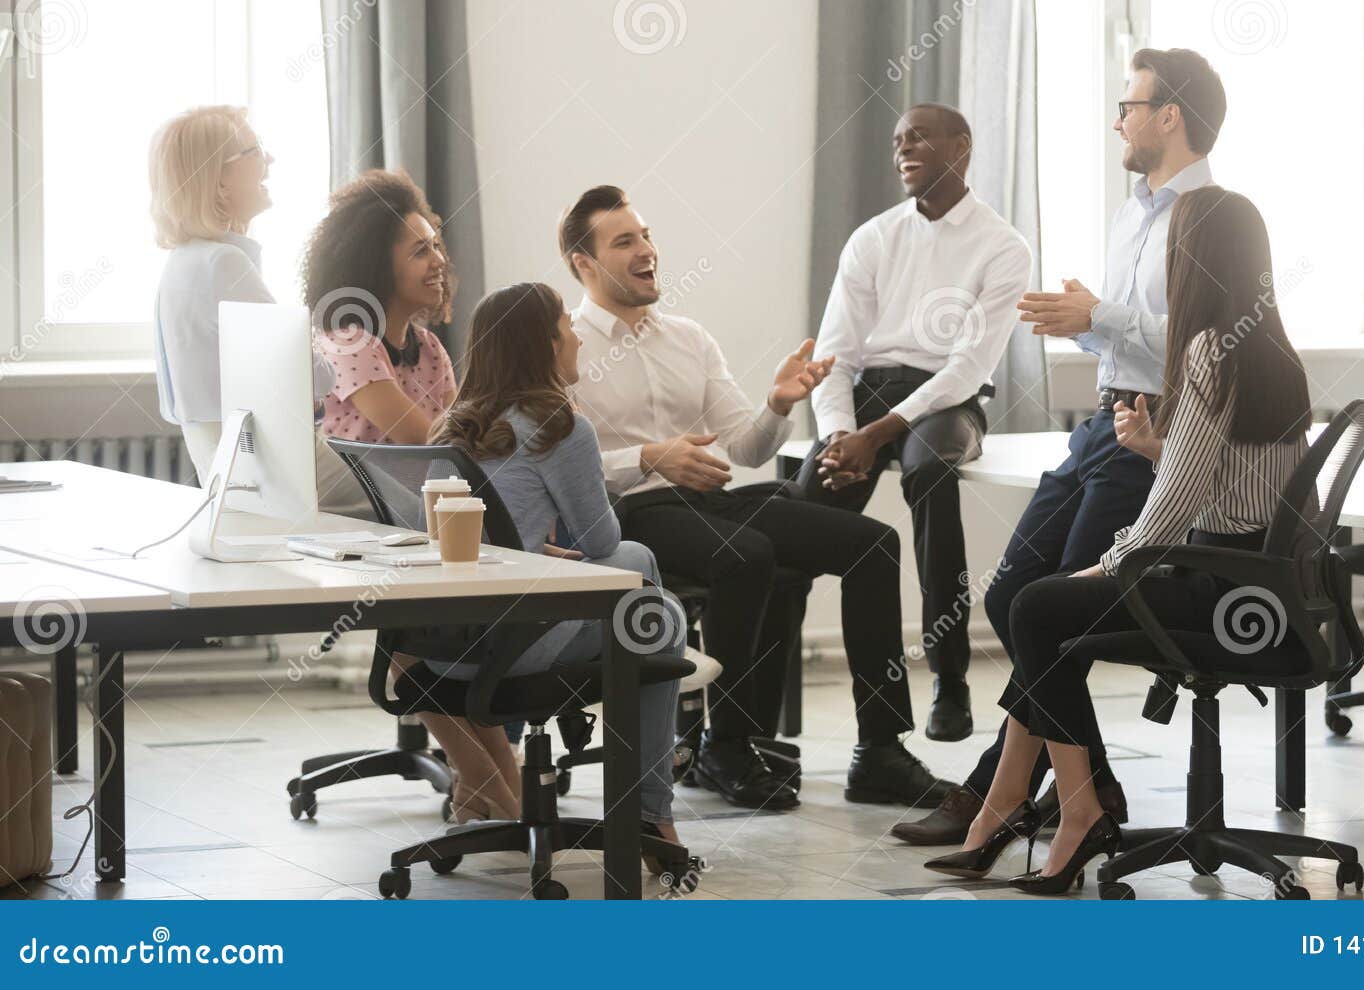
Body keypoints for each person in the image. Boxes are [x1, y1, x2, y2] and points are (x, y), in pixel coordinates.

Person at [930, 185, 1311, 894]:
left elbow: (1174, 512)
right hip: (1266, 591)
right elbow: (1235, 485)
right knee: (1041, 608)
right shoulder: (1273, 352)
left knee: (1038, 607)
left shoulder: (1206, 352)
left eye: (1176, 248)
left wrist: (1105, 566)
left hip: (1222, 592)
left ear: (1197, 260)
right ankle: (1013, 801)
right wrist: (1155, 451)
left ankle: (1075, 812)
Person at [893, 48, 1227, 848]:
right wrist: (1085, 324)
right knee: (1013, 598)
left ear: (1169, 115)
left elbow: (1203, 339)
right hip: (1101, 423)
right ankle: (1093, 783)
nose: (1119, 120)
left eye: (1130, 105)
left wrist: (1100, 317)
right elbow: (1126, 337)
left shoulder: (1210, 216)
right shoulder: (1133, 210)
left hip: (1151, 433)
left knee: (1058, 612)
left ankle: (997, 792)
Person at [561, 185, 956, 812]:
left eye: (647, 235)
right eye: (625, 241)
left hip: (708, 502)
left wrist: (778, 404)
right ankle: (728, 743)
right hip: (630, 514)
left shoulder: (687, 337)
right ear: (584, 262)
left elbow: (745, 448)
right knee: (747, 555)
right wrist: (648, 457)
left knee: (871, 543)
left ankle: (881, 749)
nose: (647, 251)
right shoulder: (568, 345)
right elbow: (563, 467)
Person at [416, 282, 688, 845]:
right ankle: (651, 813)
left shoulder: (450, 427)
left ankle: (649, 811)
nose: (577, 338)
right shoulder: (558, 424)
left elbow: (475, 545)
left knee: (650, 610)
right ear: (543, 341)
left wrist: (541, 551)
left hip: (442, 650)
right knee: (653, 599)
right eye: (566, 323)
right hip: (510, 646)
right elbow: (602, 539)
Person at [797, 104, 1032, 742]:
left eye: (920, 137)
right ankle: (754, 705)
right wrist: (840, 435)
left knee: (930, 476)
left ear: (961, 146)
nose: (904, 148)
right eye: (899, 139)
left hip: (947, 402)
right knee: (799, 515)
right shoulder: (873, 237)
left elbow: (967, 366)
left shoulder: (1003, 246)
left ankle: (950, 683)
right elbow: (835, 355)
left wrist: (879, 436)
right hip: (868, 396)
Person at [148, 105, 367, 516]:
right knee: (415, 515)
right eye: (255, 150)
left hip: (239, 483)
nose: (269, 160)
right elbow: (317, 377)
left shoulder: (180, 265)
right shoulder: (223, 264)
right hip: (287, 474)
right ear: (219, 182)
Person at [302, 170, 458, 444]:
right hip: (359, 489)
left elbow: (459, 441)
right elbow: (425, 441)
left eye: (435, 246)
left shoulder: (431, 348)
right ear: (377, 265)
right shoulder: (347, 344)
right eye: (421, 251)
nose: (440, 260)